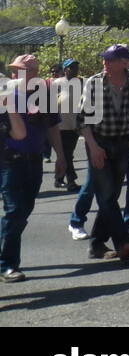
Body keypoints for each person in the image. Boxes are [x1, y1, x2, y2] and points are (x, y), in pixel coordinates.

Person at [80, 45, 129, 262]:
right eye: (105, 59)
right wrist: (93, 147)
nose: (105, 63)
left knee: (111, 195)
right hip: (98, 141)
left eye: (111, 60)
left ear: (125, 62)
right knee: (105, 195)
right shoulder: (95, 83)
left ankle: (96, 244)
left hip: (123, 143)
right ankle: (123, 242)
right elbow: (83, 120)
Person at [0, 54, 64, 282]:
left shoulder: (43, 95)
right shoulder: (4, 94)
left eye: (23, 70)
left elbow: (53, 127)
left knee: (23, 211)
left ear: (35, 73)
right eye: (15, 70)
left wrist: (60, 156)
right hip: (9, 160)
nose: (17, 74)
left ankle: (5, 249)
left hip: (35, 160)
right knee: (15, 210)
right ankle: (7, 264)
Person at [50, 60, 82, 191]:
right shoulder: (56, 83)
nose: (74, 69)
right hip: (60, 125)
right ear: (65, 69)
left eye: (76, 67)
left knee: (67, 154)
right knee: (66, 154)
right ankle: (71, 180)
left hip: (74, 125)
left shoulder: (81, 83)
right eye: (71, 67)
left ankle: (59, 178)